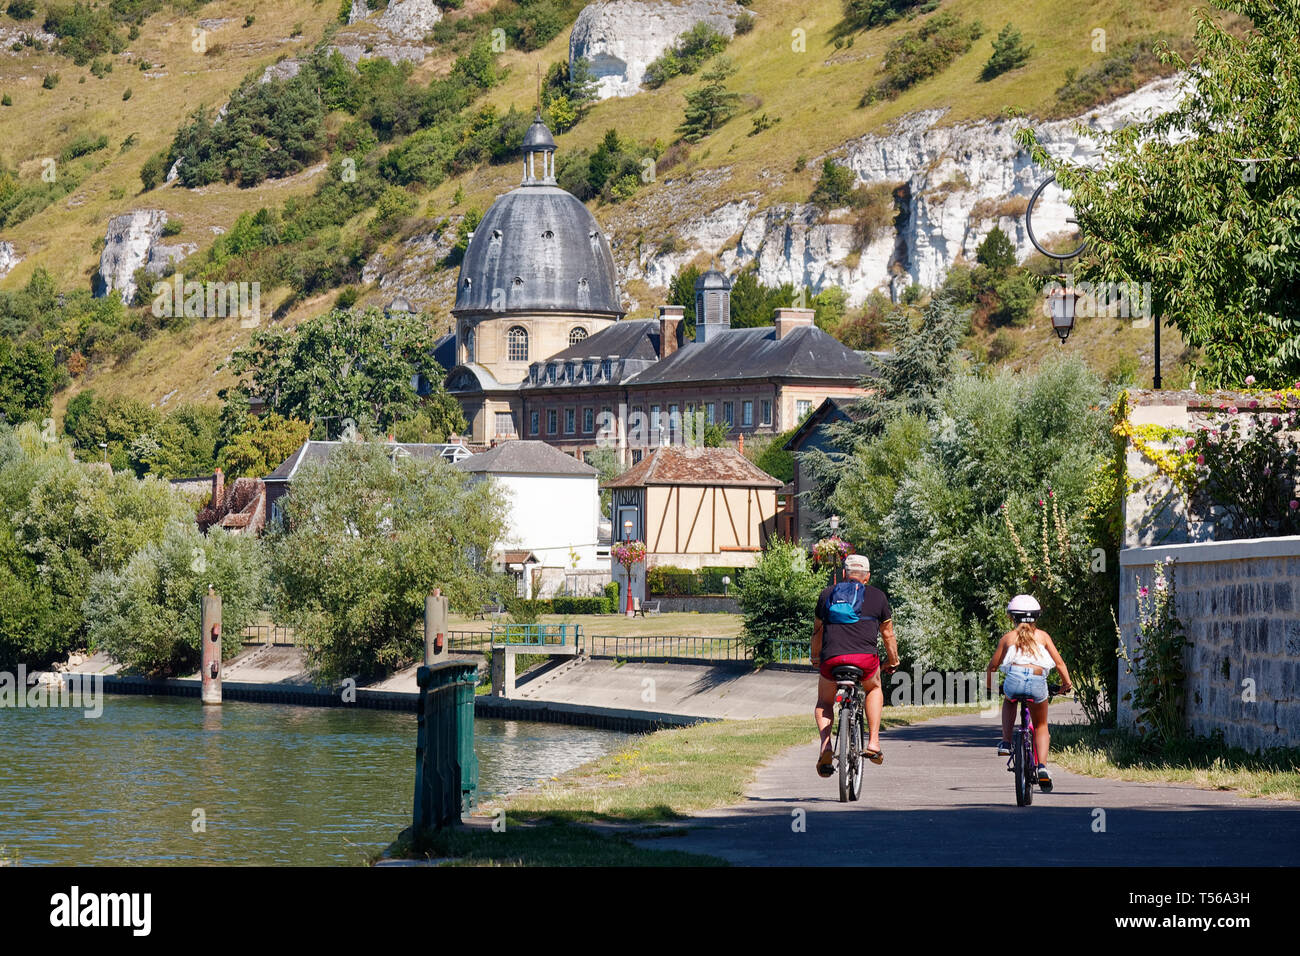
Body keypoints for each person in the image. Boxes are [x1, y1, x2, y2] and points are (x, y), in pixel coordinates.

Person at [811, 553, 900, 777]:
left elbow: (817, 631)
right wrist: (893, 661)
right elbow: (888, 635)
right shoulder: (878, 597)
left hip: (832, 659)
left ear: (844, 574)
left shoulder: (827, 594)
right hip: (865, 660)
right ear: (867, 577)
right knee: (874, 688)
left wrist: (815, 658)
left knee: (824, 701)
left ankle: (826, 746)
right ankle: (874, 743)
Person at [985, 594, 1073, 789]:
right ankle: (1042, 767)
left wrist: (991, 687)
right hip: (1037, 679)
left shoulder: (1008, 638)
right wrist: (1066, 684)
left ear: (1011, 617)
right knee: (1041, 725)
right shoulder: (1043, 636)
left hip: (1014, 678)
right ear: (1037, 617)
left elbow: (992, 667)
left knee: (1009, 701)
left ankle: (1006, 744)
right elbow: (1059, 664)